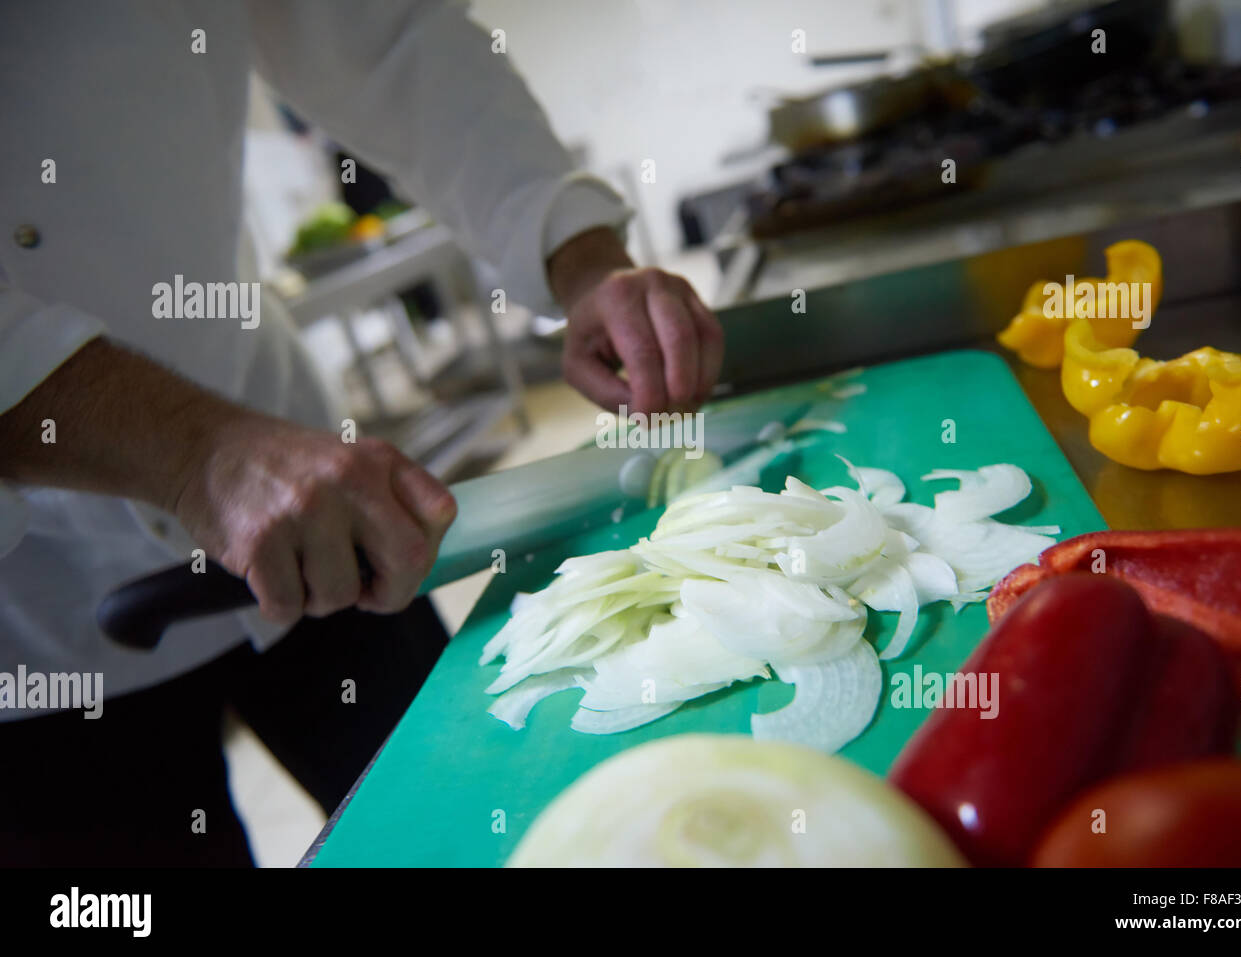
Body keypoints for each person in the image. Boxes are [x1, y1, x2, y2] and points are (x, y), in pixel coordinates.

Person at [0, 1, 723, 866]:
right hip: (31, 638)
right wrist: (195, 452)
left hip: (328, 528)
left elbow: (389, 36)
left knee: (488, 830)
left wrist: (578, 250)